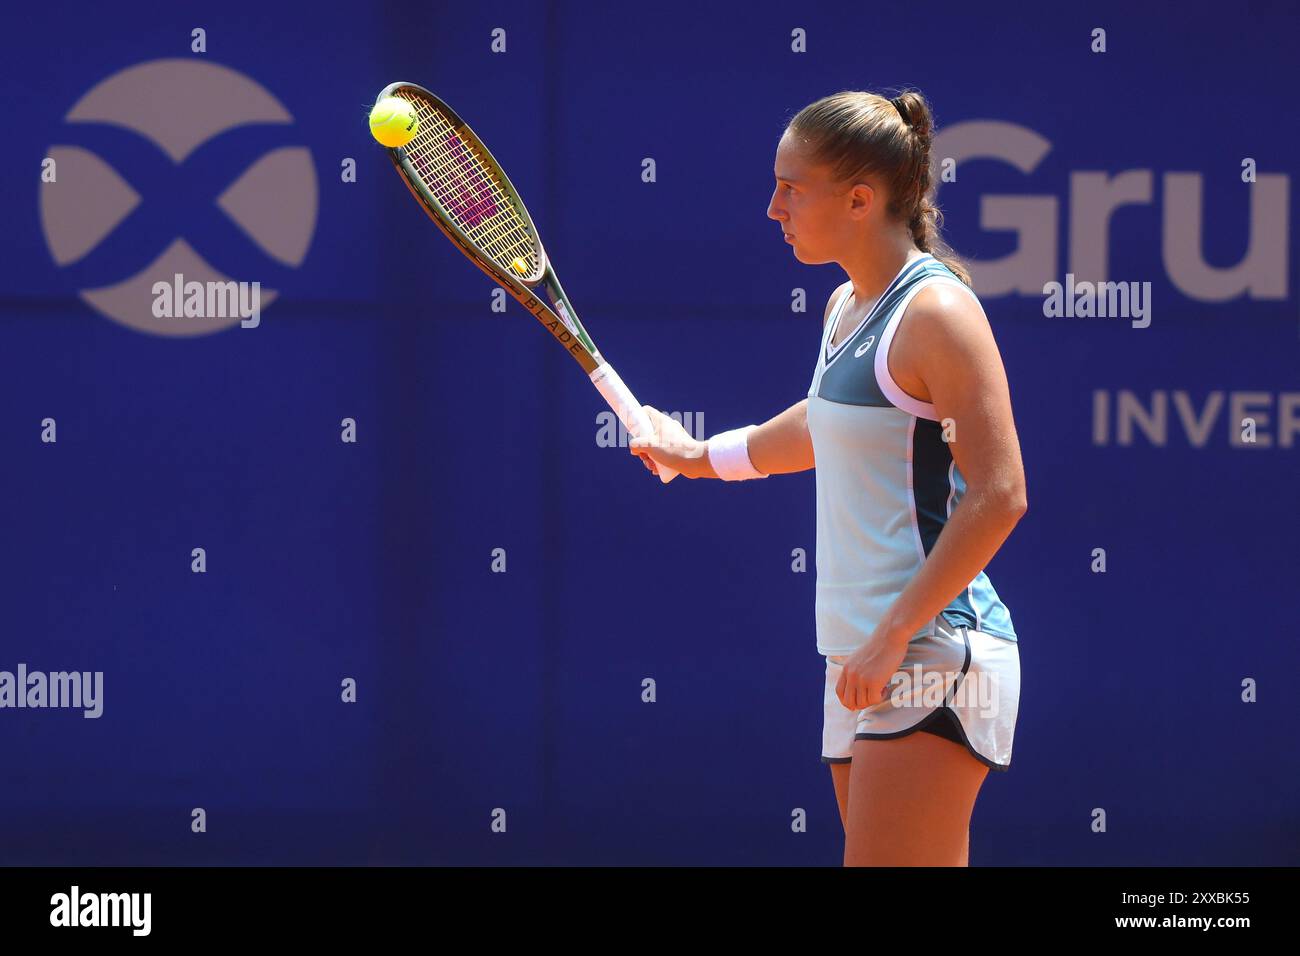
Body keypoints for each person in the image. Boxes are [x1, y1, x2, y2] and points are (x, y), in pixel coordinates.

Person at [628, 90, 1027, 866]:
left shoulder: (938, 312)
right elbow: (824, 424)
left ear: (859, 198)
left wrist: (895, 632)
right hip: (865, 652)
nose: (772, 207)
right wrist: (699, 455)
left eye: (790, 186)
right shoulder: (847, 305)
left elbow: (1000, 493)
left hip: (934, 650)